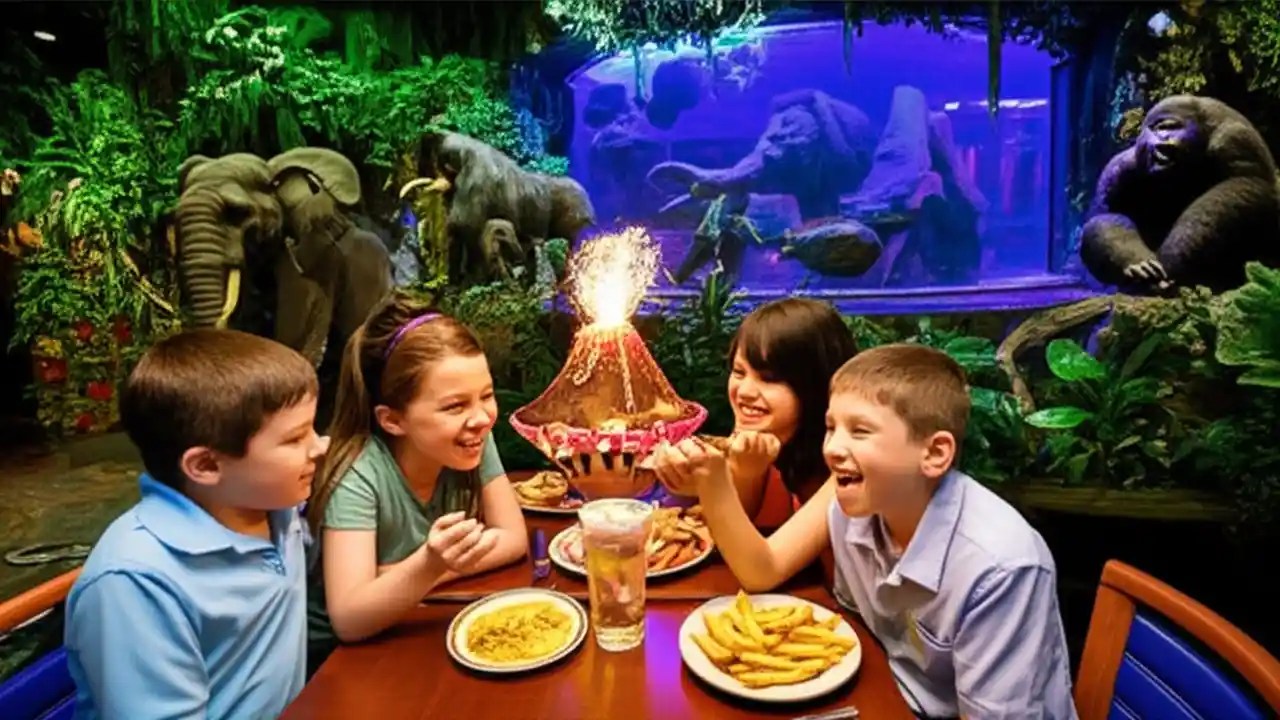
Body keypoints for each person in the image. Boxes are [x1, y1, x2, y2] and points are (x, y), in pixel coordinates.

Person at [655, 344, 1077, 719]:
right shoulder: (853, 505)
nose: (833, 448)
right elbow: (764, 573)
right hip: (880, 695)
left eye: (860, 431)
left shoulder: (1000, 568)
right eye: (831, 427)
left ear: (934, 453)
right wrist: (712, 481)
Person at [64, 329, 329, 719]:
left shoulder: (275, 506)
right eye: (294, 439)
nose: (319, 445)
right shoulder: (136, 583)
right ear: (206, 466)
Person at [306, 291, 527, 672]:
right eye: (455, 406)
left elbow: (513, 538)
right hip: (340, 668)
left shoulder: (473, 437)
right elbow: (349, 618)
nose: (480, 417)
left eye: (486, 396)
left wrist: (395, 575)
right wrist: (427, 564)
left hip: (423, 626)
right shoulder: (358, 473)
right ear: (393, 420)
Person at [705, 297, 856, 528]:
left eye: (769, 379)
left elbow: (766, 560)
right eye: (738, 372)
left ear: (816, 384)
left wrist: (743, 475)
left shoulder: (844, 467)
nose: (744, 391)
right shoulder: (764, 438)